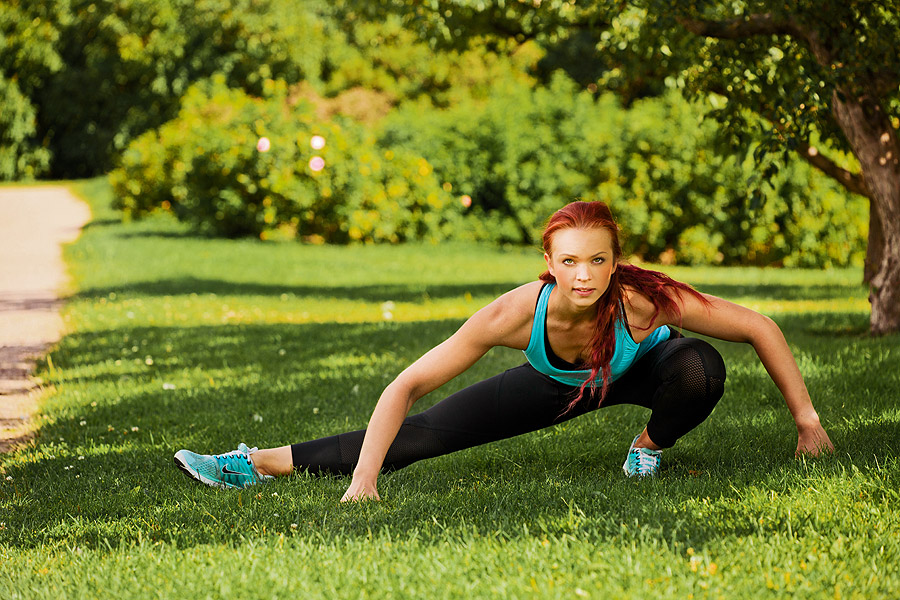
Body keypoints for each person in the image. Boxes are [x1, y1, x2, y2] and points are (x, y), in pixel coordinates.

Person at [174, 201, 834, 501]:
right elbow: (407, 388)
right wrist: (365, 482)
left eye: (597, 260)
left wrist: (807, 421)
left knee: (700, 367)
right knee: (424, 434)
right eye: (569, 260)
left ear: (613, 263)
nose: (584, 274)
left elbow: (759, 326)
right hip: (552, 384)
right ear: (548, 263)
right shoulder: (515, 313)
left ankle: (647, 449)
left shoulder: (643, 300)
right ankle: (253, 463)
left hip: (643, 375)